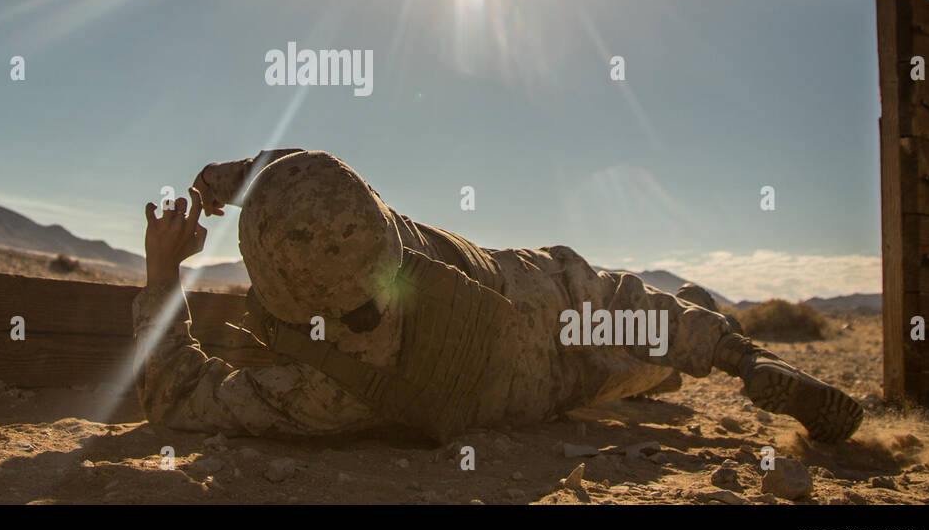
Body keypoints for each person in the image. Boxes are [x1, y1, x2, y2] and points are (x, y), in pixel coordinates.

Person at [134, 150, 863, 444]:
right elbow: (295, 171)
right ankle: (731, 347)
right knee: (618, 310)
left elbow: (172, 394)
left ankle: (690, 344)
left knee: (625, 374)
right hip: (518, 288)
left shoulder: (311, 390)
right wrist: (219, 177)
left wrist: (162, 271)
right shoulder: (382, 232)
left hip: (521, 389)